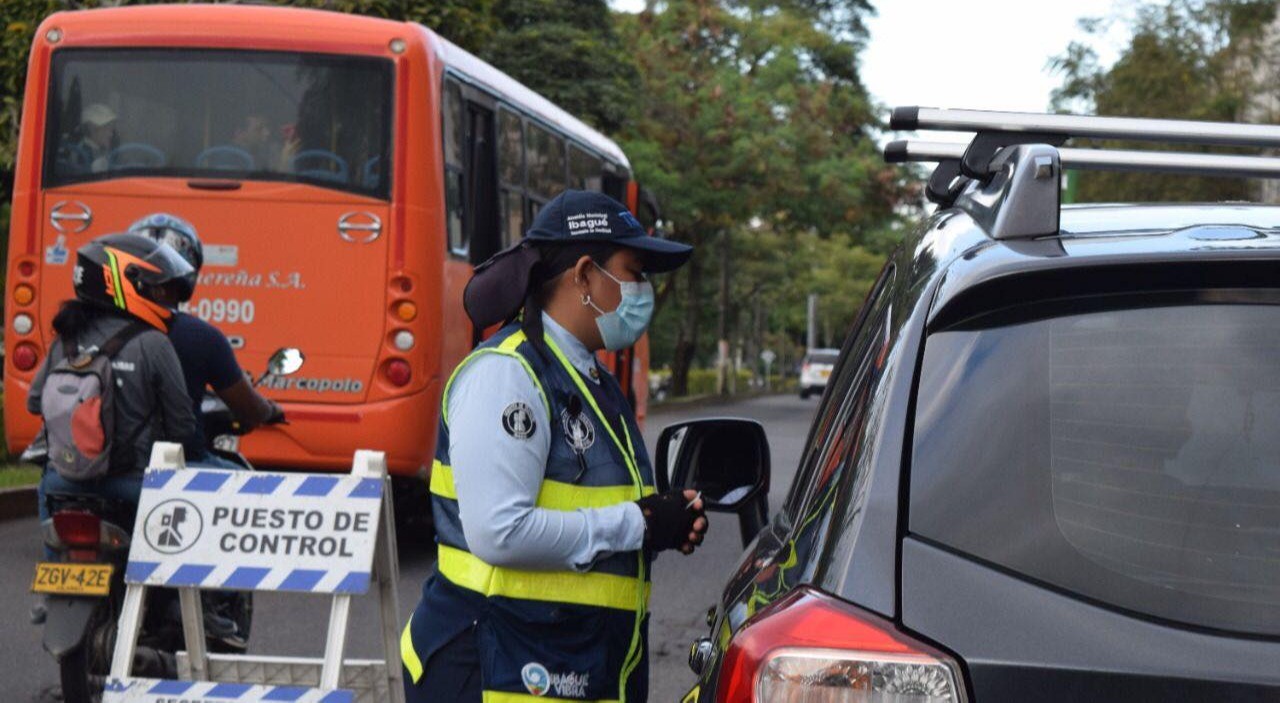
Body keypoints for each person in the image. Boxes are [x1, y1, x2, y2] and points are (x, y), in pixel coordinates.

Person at [401, 190, 707, 703]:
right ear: (584, 275)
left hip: (560, 663)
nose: (643, 291)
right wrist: (639, 523)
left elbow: (589, 503)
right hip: (493, 670)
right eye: (634, 273)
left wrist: (660, 523)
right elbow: (500, 532)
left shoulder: (588, 376)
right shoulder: (508, 374)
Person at [30, 233, 197, 536]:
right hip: (132, 485)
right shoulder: (153, 344)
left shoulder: (66, 340)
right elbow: (182, 427)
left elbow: (34, 402)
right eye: (157, 288)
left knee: (50, 524)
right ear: (126, 284)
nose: (162, 298)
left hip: (62, 480)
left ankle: (52, 562)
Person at [127, 213, 283, 468]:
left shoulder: (90, 326)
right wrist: (270, 410)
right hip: (182, 465)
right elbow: (249, 409)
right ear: (186, 269)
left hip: (94, 468)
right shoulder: (201, 336)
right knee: (248, 482)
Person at [78, 103, 119, 172]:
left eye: (112, 129)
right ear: (92, 129)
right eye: (107, 129)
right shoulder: (87, 154)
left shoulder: (98, 150)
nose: (111, 134)